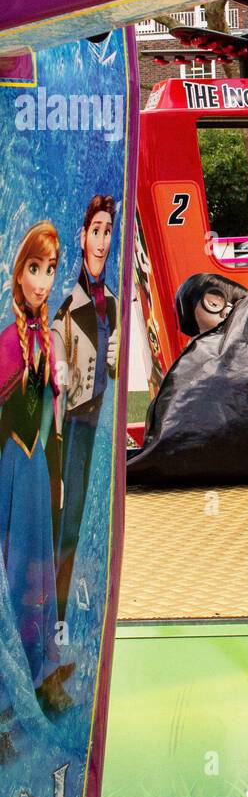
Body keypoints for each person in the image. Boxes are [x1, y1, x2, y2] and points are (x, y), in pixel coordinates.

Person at [0, 220, 71, 714]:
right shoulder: (6, 343)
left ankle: (42, 673)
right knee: (12, 573)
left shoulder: (45, 338)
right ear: (18, 272)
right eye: (34, 268)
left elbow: (50, 413)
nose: (42, 281)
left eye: (49, 270)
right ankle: (7, 696)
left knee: (37, 574)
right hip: (9, 473)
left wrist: (56, 469)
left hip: (37, 473)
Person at [53, 195, 117, 622]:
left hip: (99, 421)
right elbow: (55, 332)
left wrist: (113, 359)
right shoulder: (69, 299)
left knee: (89, 516)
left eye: (108, 231)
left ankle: (68, 610)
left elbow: (111, 366)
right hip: (73, 421)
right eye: (95, 230)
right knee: (67, 516)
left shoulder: (110, 299)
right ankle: (54, 611)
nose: (101, 240)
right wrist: (58, 359)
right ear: (82, 236)